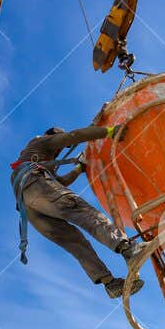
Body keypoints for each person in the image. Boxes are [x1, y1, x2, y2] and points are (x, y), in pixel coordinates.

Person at [11, 124, 145, 298]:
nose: (60, 150)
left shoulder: (36, 160)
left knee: (76, 243)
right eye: (59, 145)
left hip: (30, 208)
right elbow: (73, 136)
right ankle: (127, 249)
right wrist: (109, 131)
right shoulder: (42, 142)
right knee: (83, 211)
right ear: (50, 135)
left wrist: (79, 169)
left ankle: (110, 283)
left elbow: (61, 182)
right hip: (36, 187)